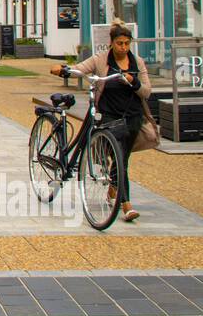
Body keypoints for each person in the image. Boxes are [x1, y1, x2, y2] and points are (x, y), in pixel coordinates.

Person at [51, 21, 150, 222]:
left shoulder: (137, 62)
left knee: (123, 159)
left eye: (127, 43)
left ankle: (114, 187)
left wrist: (134, 82)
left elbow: (147, 91)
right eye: (120, 43)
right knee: (119, 157)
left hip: (132, 115)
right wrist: (63, 69)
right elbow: (80, 68)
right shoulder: (101, 60)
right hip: (109, 115)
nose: (123, 47)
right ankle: (126, 205)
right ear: (112, 43)